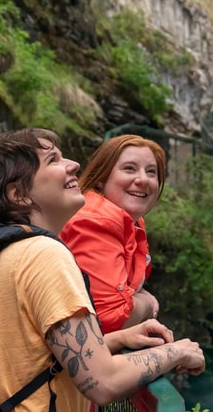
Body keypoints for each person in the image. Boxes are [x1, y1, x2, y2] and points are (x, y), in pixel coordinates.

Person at [0, 129, 204, 412]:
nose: (74, 164)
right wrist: (178, 351)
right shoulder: (44, 255)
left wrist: (120, 338)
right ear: (19, 194)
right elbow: (102, 382)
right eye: (53, 160)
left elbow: (39, 355)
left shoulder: (7, 250)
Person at [61, 135, 166, 333]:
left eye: (151, 172)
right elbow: (107, 319)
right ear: (101, 178)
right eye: (129, 168)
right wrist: (148, 304)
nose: (143, 179)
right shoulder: (95, 221)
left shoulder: (131, 220)